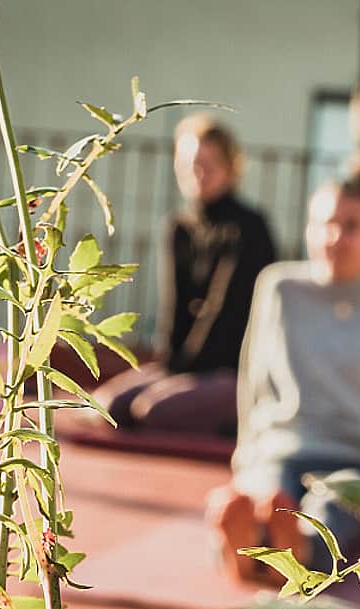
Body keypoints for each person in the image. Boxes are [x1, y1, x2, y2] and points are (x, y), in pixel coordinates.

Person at [211, 163, 360, 580]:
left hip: (358, 459)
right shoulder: (279, 286)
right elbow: (254, 385)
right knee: (265, 488)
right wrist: (243, 463)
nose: (333, 237)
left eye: (351, 226)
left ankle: (294, 547)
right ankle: (253, 539)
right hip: (282, 447)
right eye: (323, 223)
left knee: (337, 507)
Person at [94, 115, 277, 435]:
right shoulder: (178, 227)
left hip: (231, 368)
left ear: (231, 167)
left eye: (209, 163)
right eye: (190, 162)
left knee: (154, 412)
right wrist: (169, 365)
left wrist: (183, 373)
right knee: (110, 407)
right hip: (186, 364)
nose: (198, 172)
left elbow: (226, 311)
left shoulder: (248, 227)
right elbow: (174, 305)